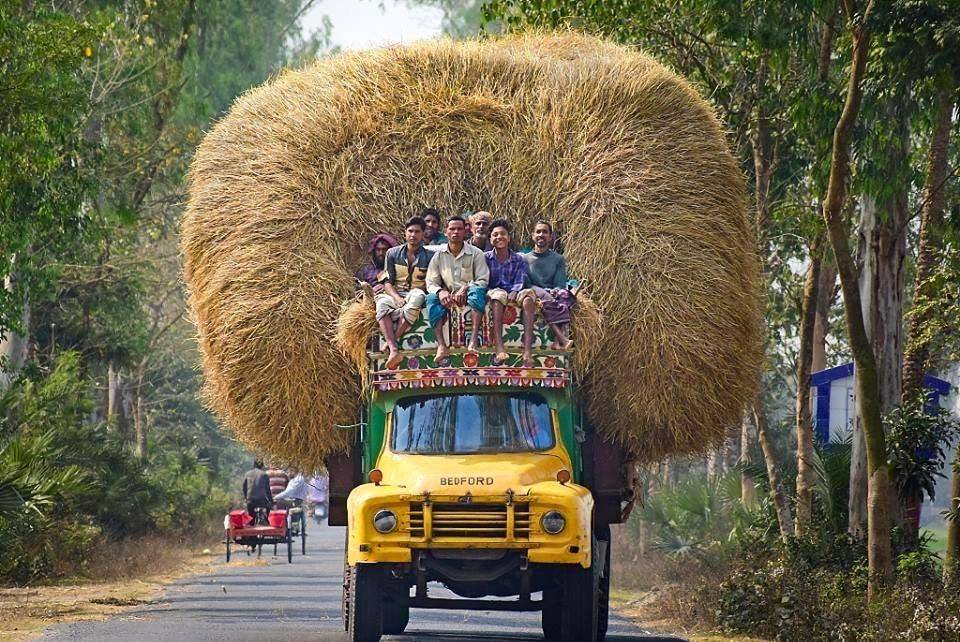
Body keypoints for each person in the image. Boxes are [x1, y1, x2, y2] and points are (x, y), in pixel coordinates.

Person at [425, 215, 489, 359]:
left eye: (459, 229)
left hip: (470, 293)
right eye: (452, 229)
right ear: (446, 232)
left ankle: (473, 340)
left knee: (478, 291)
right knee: (431, 298)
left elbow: (483, 279)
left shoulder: (476, 253)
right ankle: (441, 345)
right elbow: (430, 282)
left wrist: (466, 288)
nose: (456, 232)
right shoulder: (439, 255)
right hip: (449, 294)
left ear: (465, 231)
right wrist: (440, 292)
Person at [377, 216, 434, 369]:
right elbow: (386, 281)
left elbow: (431, 283)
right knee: (381, 303)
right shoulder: (392, 253)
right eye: (410, 231)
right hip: (395, 292)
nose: (413, 235)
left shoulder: (430, 256)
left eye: (417, 232)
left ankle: (392, 342)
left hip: (416, 292)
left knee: (418, 296)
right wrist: (395, 297)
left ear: (423, 234)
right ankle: (394, 349)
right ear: (405, 233)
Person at [484, 219, 537, 367]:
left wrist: (515, 290)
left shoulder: (518, 259)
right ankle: (499, 347)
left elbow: (520, 278)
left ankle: (527, 351)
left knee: (528, 298)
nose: (499, 237)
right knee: (498, 296)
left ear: (508, 237)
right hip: (494, 292)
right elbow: (483, 280)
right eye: (495, 235)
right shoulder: (485, 258)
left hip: (513, 290)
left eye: (503, 234)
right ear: (490, 239)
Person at [523, 220, 575, 349]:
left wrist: (555, 290)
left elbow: (560, 283)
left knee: (565, 295)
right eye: (538, 232)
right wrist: (543, 292)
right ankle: (562, 338)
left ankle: (558, 341)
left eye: (545, 232)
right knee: (544, 299)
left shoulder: (558, 259)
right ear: (533, 235)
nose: (541, 235)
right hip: (535, 293)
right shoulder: (524, 259)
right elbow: (526, 283)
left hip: (552, 293)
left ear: (550, 237)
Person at [242, 458, 273, 524]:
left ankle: (252, 526)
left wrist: (246, 499)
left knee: (251, 517)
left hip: (250, 501)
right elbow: (268, 490)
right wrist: (271, 502)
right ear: (262, 465)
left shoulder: (247, 474)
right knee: (269, 508)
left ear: (254, 465)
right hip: (262, 500)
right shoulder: (264, 474)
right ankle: (267, 520)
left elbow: (244, 488)